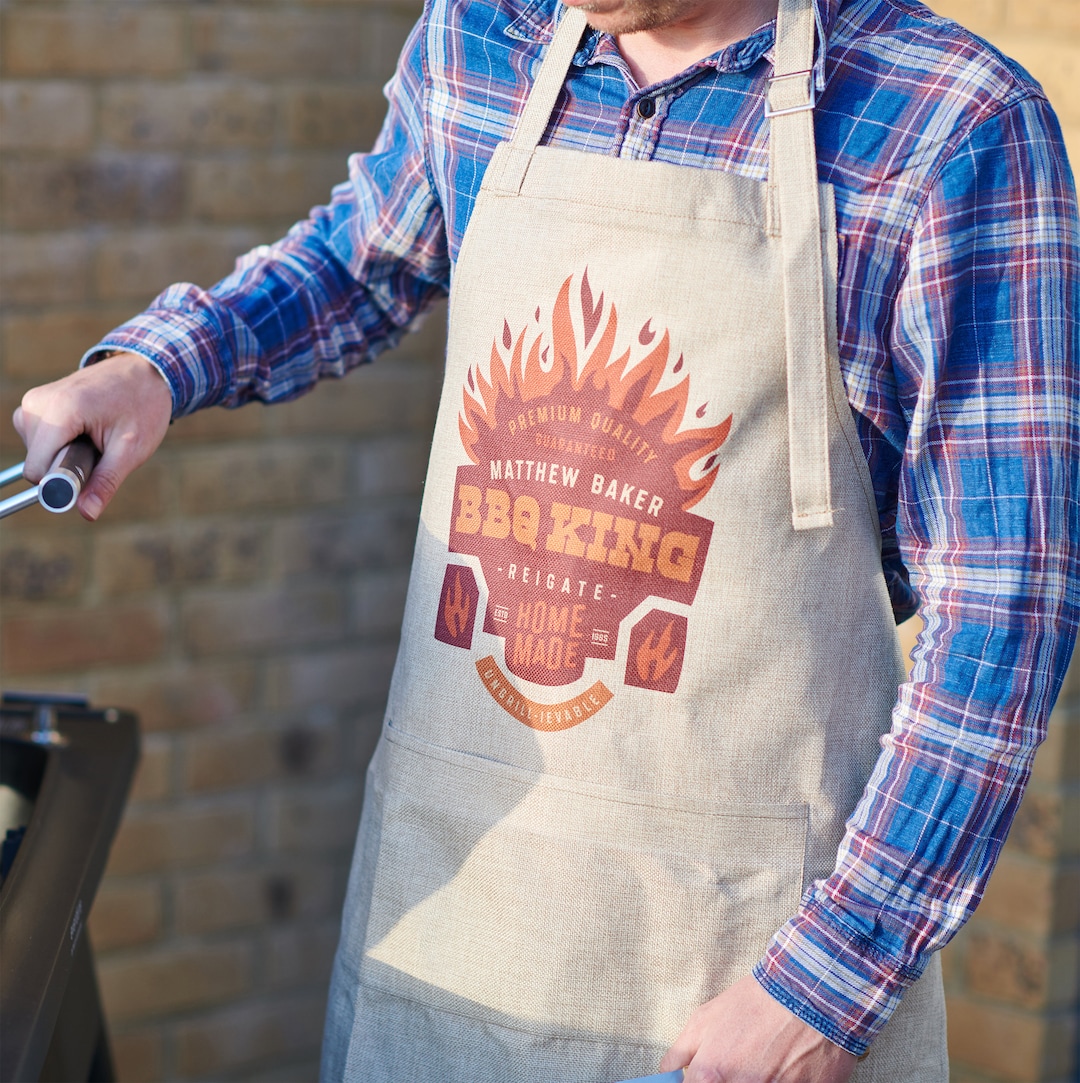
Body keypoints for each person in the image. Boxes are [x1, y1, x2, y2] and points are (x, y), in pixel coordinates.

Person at [13, 0, 1078, 1079]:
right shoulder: (483, 39)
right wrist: (156, 366)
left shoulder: (954, 122)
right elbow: (358, 258)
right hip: (446, 937)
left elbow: (1008, 606)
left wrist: (829, 986)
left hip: (740, 982)